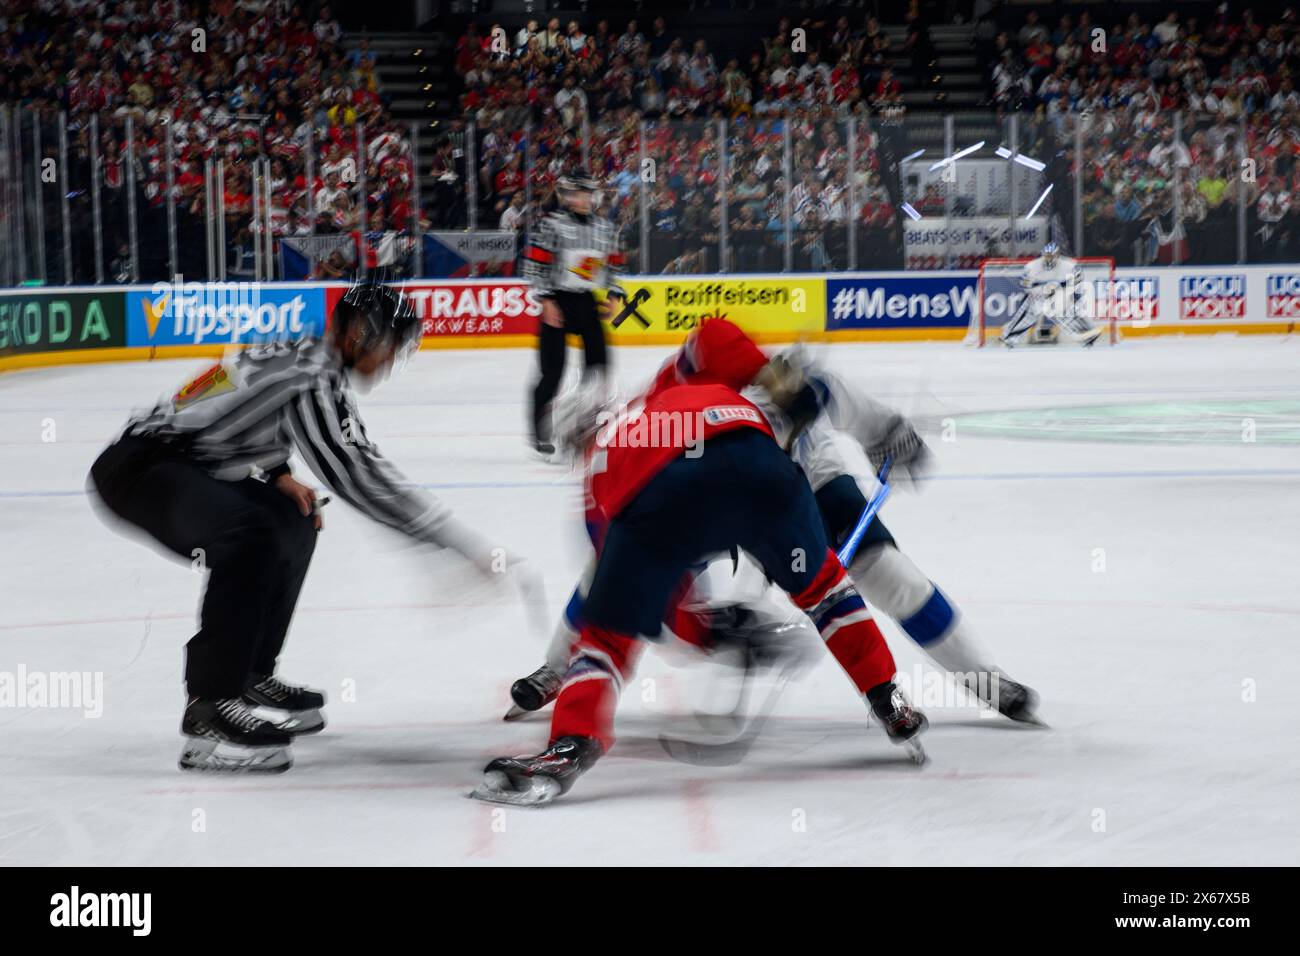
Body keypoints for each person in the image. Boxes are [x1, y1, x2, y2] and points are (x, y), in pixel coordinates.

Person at [473, 321, 927, 806]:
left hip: (665, 496)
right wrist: (776, 379)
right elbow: (716, 334)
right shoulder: (670, 389)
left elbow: (653, 598)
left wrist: (712, 632)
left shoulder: (601, 479)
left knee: (604, 638)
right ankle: (888, 698)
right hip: (765, 471)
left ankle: (570, 746)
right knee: (827, 592)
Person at [89, 278, 528, 773]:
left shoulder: (302, 357)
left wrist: (278, 474)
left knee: (292, 521)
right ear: (361, 333)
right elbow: (358, 476)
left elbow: (236, 411)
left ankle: (249, 673)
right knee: (250, 534)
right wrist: (452, 540)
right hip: (141, 471)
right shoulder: (312, 378)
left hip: (178, 464)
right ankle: (211, 703)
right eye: (391, 347)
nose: (388, 363)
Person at [508, 322, 1040, 726]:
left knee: (892, 577)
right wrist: (707, 628)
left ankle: (987, 681)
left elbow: (838, 400)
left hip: (809, 485)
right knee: (613, 571)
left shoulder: (795, 383)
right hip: (713, 484)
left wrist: (889, 432)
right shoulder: (673, 393)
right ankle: (557, 669)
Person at [521, 173, 625, 456]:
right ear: (566, 196)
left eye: (587, 194)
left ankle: (587, 426)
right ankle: (539, 431)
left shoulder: (605, 228)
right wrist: (546, 301)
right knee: (552, 372)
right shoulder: (550, 227)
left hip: (587, 302)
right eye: (576, 194)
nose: (583, 199)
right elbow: (533, 267)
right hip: (558, 300)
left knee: (599, 368)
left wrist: (614, 295)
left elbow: (614, 264)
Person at [1000, 242, 1102, 347]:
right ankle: (1009, 338)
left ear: (1057, 254)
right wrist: (1038, 289)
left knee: (1066, 313)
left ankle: (1087, 335)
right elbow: (1024, 283)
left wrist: (1062, 288)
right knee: (1029, 313)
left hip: (1059, 294)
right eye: (1047, 255)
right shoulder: (1032, 266)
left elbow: (1077, 279)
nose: (1049, 258)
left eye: (1051, 255)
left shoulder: (1068, 265)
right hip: (1039, 294)